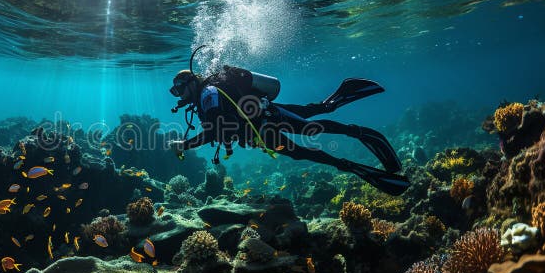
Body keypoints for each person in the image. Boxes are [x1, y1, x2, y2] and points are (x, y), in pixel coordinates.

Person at [168, 65, 410, 196]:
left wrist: (185, 145)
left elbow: (213, 133)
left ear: (190, 84)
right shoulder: (204, 100)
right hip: (263, 130)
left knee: (308, 129)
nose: (179, 96)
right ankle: (347, 162)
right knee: (302, 145)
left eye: (179, 90)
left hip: (269, 120)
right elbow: (221, 129)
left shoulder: (208, 94)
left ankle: (357, 132)